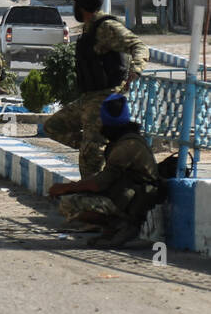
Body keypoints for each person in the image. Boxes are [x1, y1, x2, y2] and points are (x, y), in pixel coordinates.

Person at [45, 0, 148, 178]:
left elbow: (139, 45)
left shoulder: (106, 27)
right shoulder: (89, 28)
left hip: (104, 100)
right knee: (53, 126)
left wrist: (136, 69)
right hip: (88, 99)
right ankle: (99, 146)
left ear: (81, 7)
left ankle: (95, 191)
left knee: (90, 162)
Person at [48, 93, 160, 248]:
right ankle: (112, 230)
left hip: (133, 202)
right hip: (126, 196)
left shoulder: (126, 146)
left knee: (69, 203)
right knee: (76, 196)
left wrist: (66, 188)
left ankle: (120, 226)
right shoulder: (125, 140)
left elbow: (99, 183)